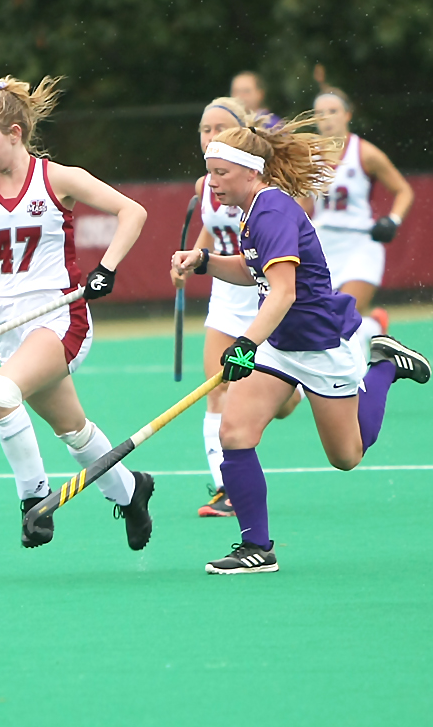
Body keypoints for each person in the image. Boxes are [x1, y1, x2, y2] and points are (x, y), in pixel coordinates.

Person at [172, 116, 430, 574]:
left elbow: (284, 291)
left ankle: (384, 366)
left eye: (221, 174)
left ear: (252, 172)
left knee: (347, 456)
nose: (212, 183)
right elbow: (255, 271)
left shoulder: (270, 212)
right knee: (234, 432)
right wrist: (206, 260)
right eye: (209, 172)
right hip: (280, 343)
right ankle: (256, 547)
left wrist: (245, 342)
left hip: (317, 343)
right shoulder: (252, 211)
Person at [0, 75, 153, 550]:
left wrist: (106, 269)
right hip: (10, 329)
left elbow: (133, 212)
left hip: (60, 317)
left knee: (1, 391)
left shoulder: (57, 178)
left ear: (15, 133)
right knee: (73, 431)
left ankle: (35, 500)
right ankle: (132, 492)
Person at [170, 97, 302, 518]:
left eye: (218, 129)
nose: (209, 137)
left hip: (267, 295)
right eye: (204, 130)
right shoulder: (205, 186)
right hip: (227, 295)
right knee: (217, 390)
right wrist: (193, 258)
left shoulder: (269, 193)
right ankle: (226, 488)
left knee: (281, 407)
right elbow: (211, 232)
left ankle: (290, 392)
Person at [311, 86, 414, 355]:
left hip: (360, 244)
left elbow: (404, 190)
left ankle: (367, 329)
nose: (327, 118)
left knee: (344, 318)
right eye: (320, 113)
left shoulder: (365, 153)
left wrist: (393, 220)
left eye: (333, 111)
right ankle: (373, 324)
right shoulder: (310, 158)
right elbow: (302, 204)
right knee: (321, 320)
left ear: (347, 115)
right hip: (324, 246)